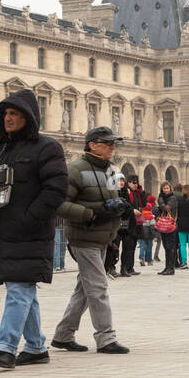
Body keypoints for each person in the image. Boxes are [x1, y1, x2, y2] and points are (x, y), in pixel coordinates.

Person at [0, 89, 69, 369]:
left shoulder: (47, 147)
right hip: (4, 230)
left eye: (14, 113)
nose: (8, 118)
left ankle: (5, 348)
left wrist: (30, 218)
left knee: (19, 288)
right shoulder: (2, 150)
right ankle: (36, 346)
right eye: (5, 113)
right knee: (22, 286)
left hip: (30, 232)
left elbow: (56, 190)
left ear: (28, 117)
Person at [51, 126, 130, 354]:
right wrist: (92, 213)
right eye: (108, 143)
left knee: (85, 289)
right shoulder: (75, 169)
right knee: (98, 287)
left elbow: (114, 200)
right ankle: (106, 338)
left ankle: (63, 335)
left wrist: (121, 209)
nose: (112, 147)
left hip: (104, 237)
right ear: (93, 145)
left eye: (113, 143)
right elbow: (60, 204)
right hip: (83, 237)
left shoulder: (111, 171)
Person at [155, 203, 179, 275]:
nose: (166, 190)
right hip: (164, 227)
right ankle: (167, 267)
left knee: (170, 247)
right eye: (164, 190)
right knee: (166, 247)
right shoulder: (161, 199)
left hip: (170, 227)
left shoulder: (173, 200)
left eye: (167, 190)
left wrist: (164, 207)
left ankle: (171, 268)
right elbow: (159, 210)